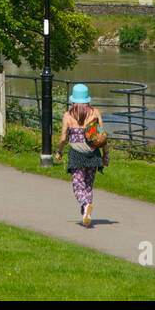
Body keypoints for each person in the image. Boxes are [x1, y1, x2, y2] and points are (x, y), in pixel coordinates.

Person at [54, 83, 107, 227]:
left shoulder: (68, 115)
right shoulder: (95, 113)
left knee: (78, 185)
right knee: (88, 185)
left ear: (73, 100)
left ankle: (85, 203)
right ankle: (86, 213)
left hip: (76, 154)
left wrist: (59, 150)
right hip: (93, 153)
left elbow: (63, 138)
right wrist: (105, 155)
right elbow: (102, 135)